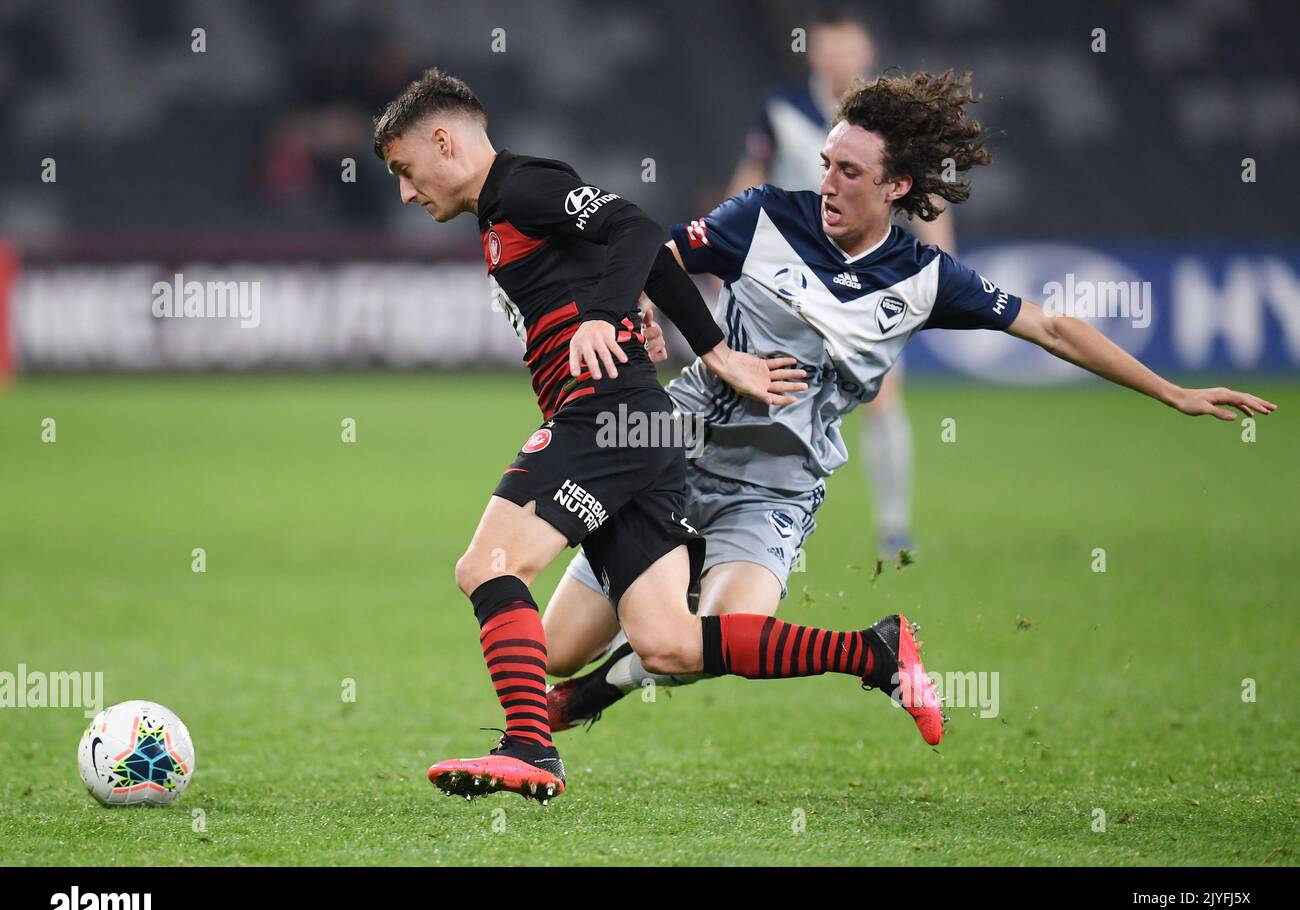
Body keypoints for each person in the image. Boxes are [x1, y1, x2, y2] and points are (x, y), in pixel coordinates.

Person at [543, 70, 1276, 733]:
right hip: (676, 458)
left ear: (895, 188)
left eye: (850, 172)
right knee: (551, 650)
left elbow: (1052, 327)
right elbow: (655, 254)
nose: (828, 182)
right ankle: (589, 679)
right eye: (827, 163)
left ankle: (599, 692)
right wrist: (632, 305)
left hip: (772, 492)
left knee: (724, 637)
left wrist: (1171, 391)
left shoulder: (925, 279)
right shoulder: (763, 216)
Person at [373, 68, 949, 803]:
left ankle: (531, 747)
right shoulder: (500, 214)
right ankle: (876, 653)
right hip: (639, 427)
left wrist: (602, 318)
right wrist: (714, 351)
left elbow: (638, 227)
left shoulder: (519, 185)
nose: (404, 191)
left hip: (604, 417)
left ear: (444, 141)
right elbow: (642, 252)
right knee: (669, 644)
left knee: (487, 565)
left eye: (403, 169)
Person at [730, 7, 953, 556]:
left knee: (880, 395)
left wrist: (942, 259)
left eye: (848, 47)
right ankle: (760, 522)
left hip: (868, 277)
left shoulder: (890, 123)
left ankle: (893, 528)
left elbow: (927, 195)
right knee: (769, 395)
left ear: (867, 53)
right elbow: (750, 177)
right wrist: (725, 239)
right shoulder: (781, 108)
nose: (839, 58)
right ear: (815, 52)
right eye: (829, 47)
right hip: (785, 281)